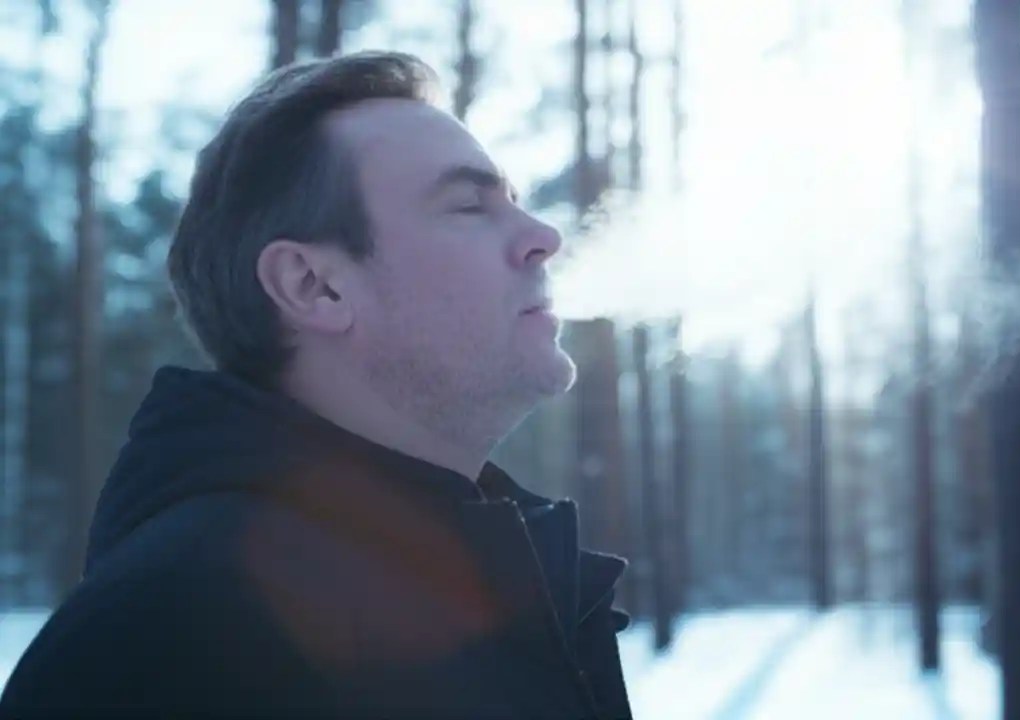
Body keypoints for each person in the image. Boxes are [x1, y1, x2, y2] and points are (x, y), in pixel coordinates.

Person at [0, 51, 632, 719]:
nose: (544, 236)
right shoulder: (172, 641)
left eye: (517, 201)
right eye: (470, 205)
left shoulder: (499, 592)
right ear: (315, 285)